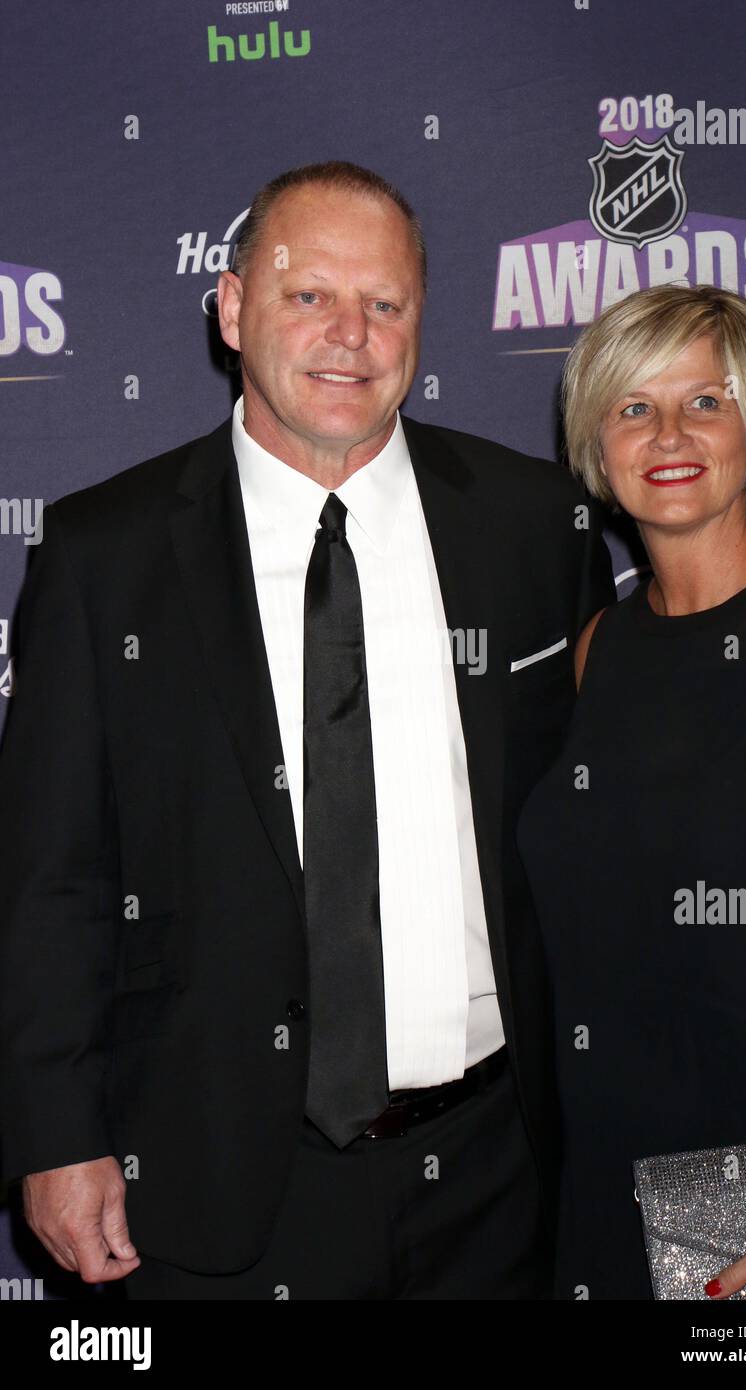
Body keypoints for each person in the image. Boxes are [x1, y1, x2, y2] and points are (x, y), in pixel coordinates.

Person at [0, 161, 614, 1300]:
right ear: (231, 309)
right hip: (213, 1176)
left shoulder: (534, 527)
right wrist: (51, 1132)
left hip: (494, 1175)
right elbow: (47, 877)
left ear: (421, 323)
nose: (350, 335)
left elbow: (591, 833)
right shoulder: (104, 555)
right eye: (306, 296)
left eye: (383, 303)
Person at [516, 284, 746, 1300]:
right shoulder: (598, 647)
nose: (666, 432)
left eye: (702, 400)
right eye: (631, 406)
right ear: (595, 441)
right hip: (603, 1189)